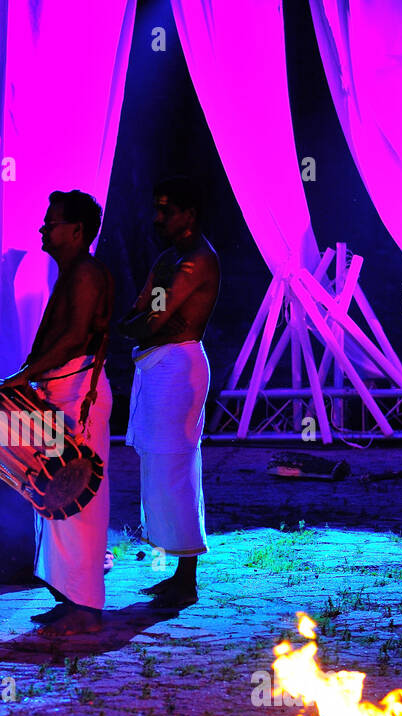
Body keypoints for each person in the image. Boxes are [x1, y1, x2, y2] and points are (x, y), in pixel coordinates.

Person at [0, 190, 113, 637]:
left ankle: (87, 606)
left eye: (53, 222)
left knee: (77, 498)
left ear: (78, 231)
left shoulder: (85, 272)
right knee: (55, 495)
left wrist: (23, 376)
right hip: (61, 393)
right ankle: (69, 598)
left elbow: (73, 340)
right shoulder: (72, 272)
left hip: (78, 394)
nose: (44, 228)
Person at [117, 176, 219, 607]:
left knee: (174, 465)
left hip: (177, 365)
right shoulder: (169, 259)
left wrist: (128, 327)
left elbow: (153, 319)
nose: (158, 218)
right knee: (157, 465)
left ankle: (187, 575)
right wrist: (134, 325)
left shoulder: (196, 261)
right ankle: (175, 568)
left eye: (166, 210)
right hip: (159, 365)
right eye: (157, 209)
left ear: (189, 214)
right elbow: (144, 311)